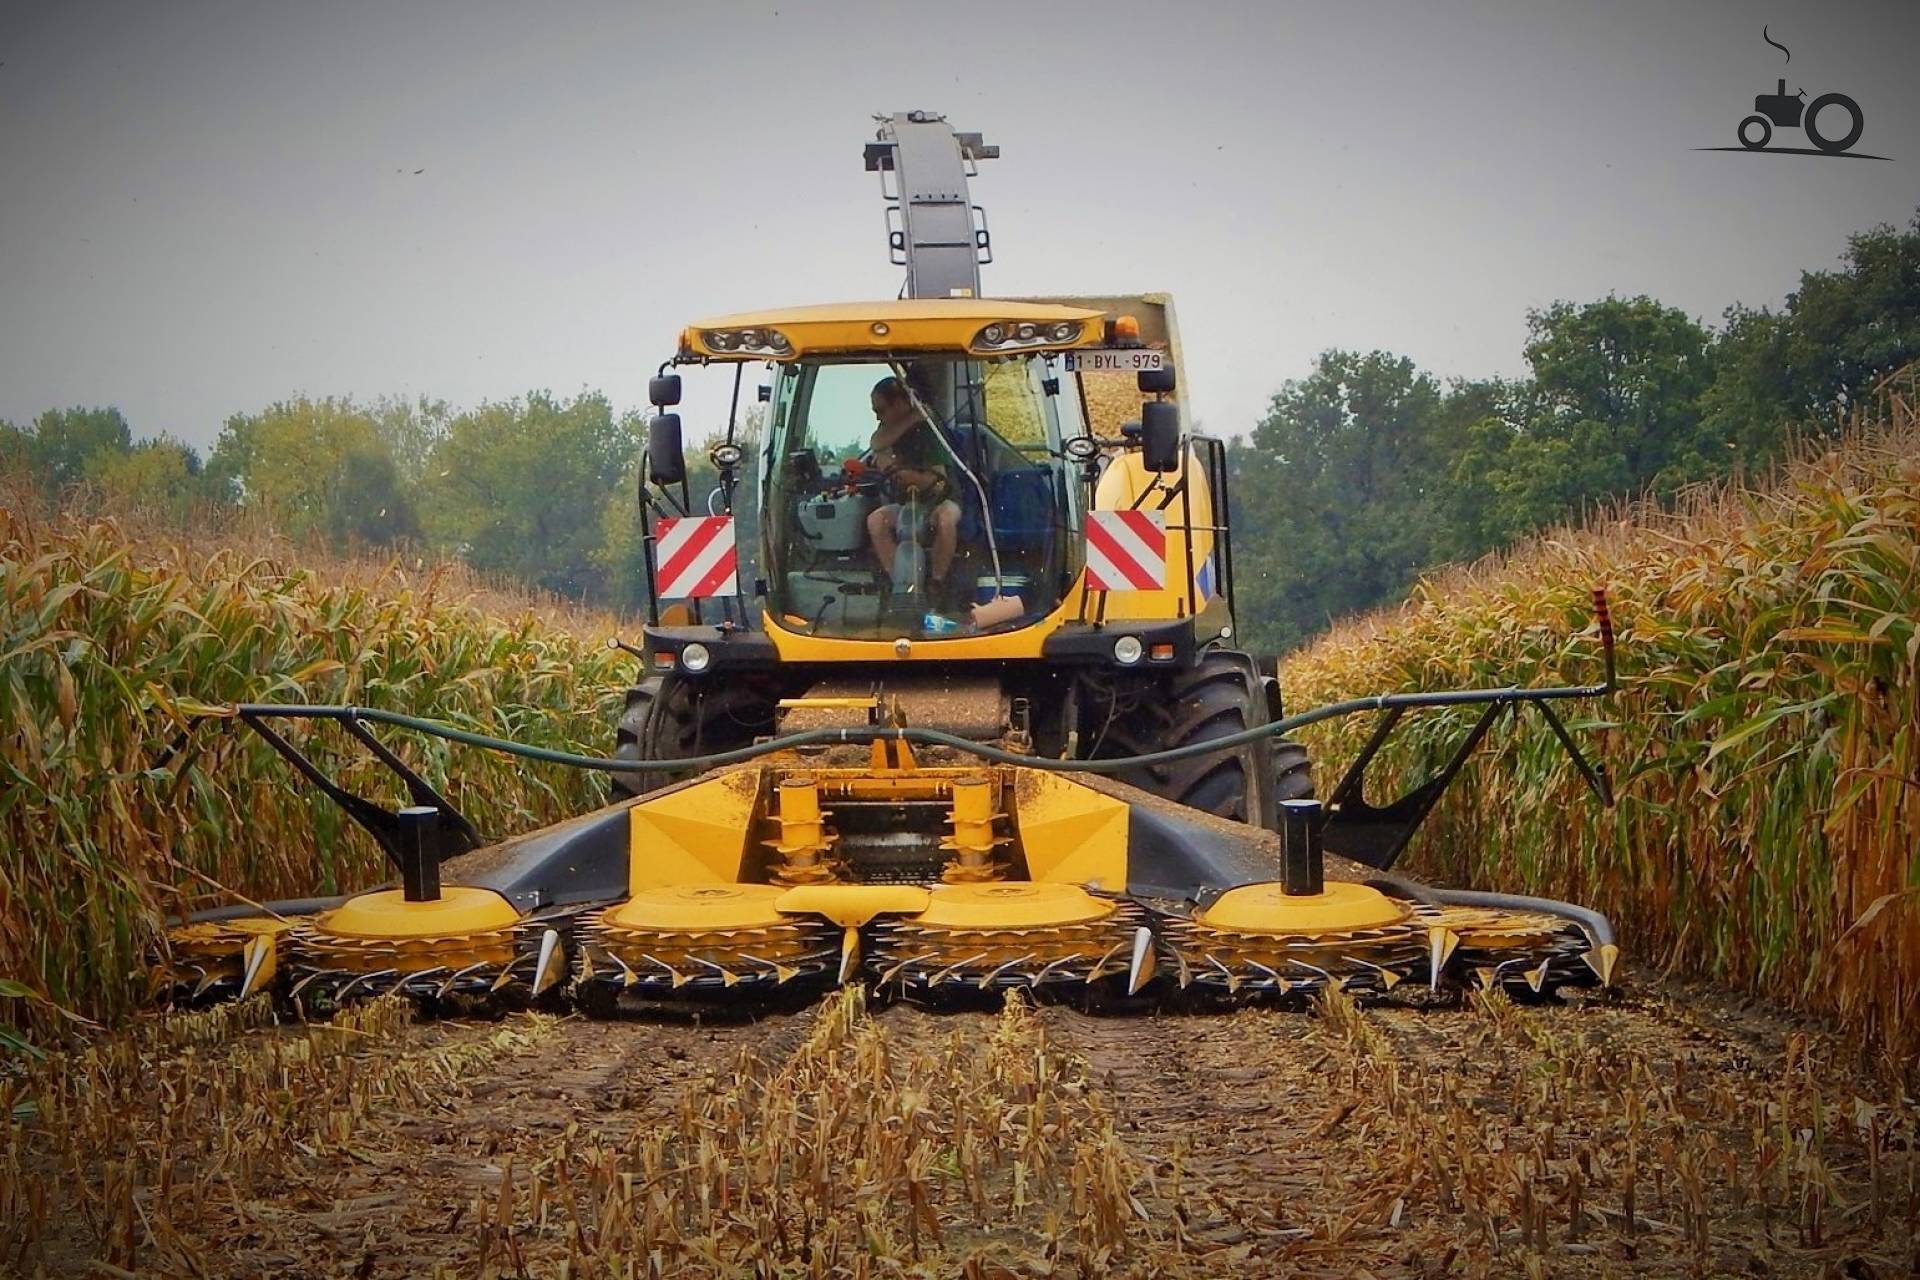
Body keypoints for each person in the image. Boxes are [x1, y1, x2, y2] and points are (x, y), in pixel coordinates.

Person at [865, 375, 961, 596]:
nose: (878, 417)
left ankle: (936, 583)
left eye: (881, 411)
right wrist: (911, 419)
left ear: (899, 403)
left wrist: (907, 475)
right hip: (907, 504)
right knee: (876, 521)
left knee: (946, 520)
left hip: (940, 501)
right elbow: (876, 443)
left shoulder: (929, 432)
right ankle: (900, 583)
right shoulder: (891, 431)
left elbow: (939, 482)